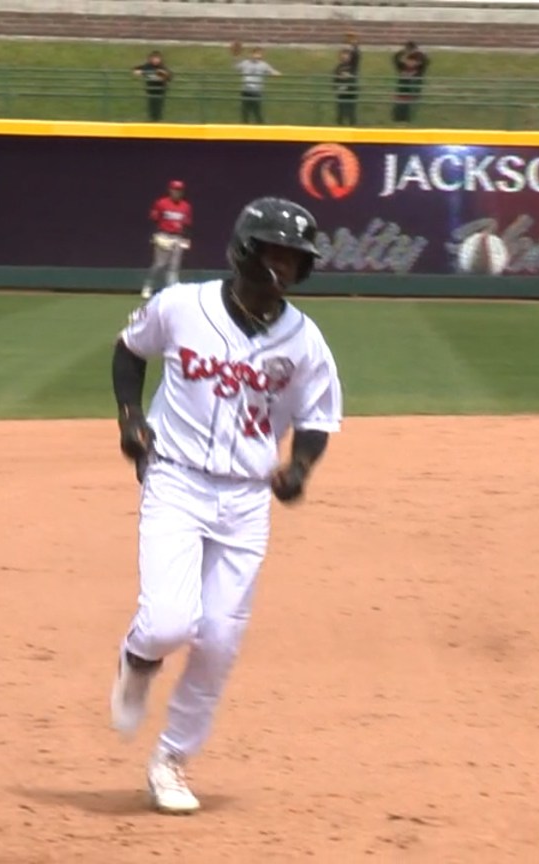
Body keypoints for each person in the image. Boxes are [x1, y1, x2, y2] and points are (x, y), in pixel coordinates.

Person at [108, 196, 344, 815]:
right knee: (168, 623)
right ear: (245, 250)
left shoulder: (304, 340)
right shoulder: (182, 306)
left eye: (295, 257)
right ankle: (138, 658)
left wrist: (299, 466)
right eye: (275, 252)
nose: (285, 266)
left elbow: (318, 418)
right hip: (176, 480)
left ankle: (172, 761)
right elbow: (130, 349)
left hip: (244, 499)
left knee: (217, 642)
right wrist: (131, 417)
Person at [142, 180, 193, 300]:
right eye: (175, 189)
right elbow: (154, 219)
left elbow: (187, 224)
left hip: (178, 237)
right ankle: (148, 286)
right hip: (164, 236)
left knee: (174, 266)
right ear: (170, 190)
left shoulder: (186, 206)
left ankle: (172, 290)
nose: (177, 192)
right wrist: (156, 236)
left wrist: (186, 238)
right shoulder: (161, 203)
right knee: (159, 264)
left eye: (179, 190)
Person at [230, 43, 282, 124]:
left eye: (258, 53)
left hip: (257, 91)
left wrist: (277, 74)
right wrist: (235, 56)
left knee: (257, 111)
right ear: (250, 54)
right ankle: (244, 127)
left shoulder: (263, 65)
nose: (256, 55)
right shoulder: (245, 63)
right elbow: (236, 67)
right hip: (246, 90)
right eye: (254, 53)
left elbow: (272, 71)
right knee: (245, 111)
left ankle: (260, 127)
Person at [391, 40, 429, 124]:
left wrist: (418, 52)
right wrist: (404, 52)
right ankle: (398, 118)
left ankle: (408, 119)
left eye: (413, 61)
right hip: (402, 87)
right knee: (400, 103)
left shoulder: (420, 64)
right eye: (408, 61)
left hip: (413, 87)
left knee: (410, 105)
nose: (410, 63)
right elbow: (396, 59)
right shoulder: (402, 63)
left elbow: (425, 62)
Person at [132, 51, 173, 122]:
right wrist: (137, 71)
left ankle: (158, 120)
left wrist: (164, 75)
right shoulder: (147, 66)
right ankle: (151, 119)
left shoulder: (162, 67)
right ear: (150, 59)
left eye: (157, 59)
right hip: (150, 90)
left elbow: (169, 76)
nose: (155, 60)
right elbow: (136, 69)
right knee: (151, 106)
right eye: (154, 58)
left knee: (158, 106)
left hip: (160, 90)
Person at [333, 48, 359, 126]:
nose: (345, 57)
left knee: (351, 113)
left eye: (347, 55)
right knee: (341, 113)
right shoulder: (338, 68)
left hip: (351, 93)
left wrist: (354, 45)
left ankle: (352, 128)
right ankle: (340, 128)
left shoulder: (353, 66)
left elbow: (357, 56)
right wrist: (337, 87)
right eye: (343, 56)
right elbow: (335, 80)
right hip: (341, 93)